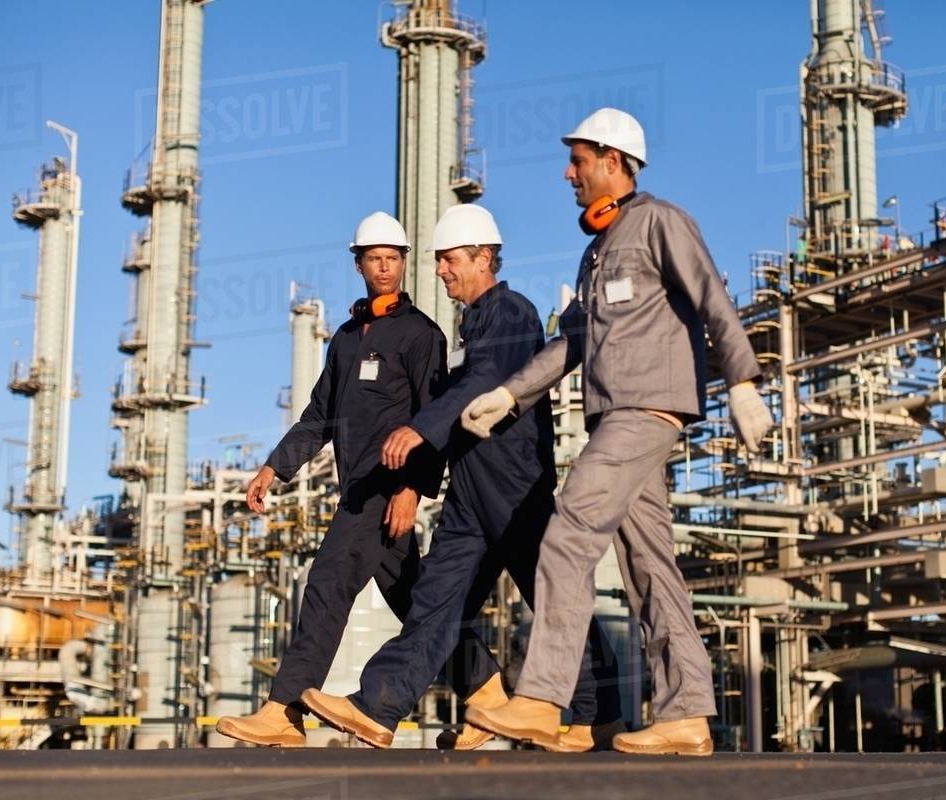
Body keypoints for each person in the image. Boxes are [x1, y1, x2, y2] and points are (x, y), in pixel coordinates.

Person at [459, 108, 774, 756]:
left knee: (569, 532)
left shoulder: (660, 224)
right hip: (613, 414)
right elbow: (570, 340)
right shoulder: (594, 252)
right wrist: (508, 395)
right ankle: (687, 713)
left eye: (577, 160)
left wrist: (742, 379)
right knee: (649, 565)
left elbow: (712, 295)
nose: (568, 173)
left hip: (648, 408)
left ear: (613, 160)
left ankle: (543, 698)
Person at [299, 204, 623, 752]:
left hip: (513, 481)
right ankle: (377, 707)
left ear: (483, 257)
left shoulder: (511, 311)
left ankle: (601, 711)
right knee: (435, 600)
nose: (442, 270)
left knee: (550, 595)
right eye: (439, 260)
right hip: (472, 484)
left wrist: (420, 429)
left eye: (449, 260)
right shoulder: (477, 319)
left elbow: (489, 379)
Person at [215, 212, 499, 747]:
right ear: (360, 264)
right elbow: (320, 413)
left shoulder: (421, 336)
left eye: (394, 258)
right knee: (416, 600)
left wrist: (412, 489)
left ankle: (284, 711)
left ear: (404, 263)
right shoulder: (346, 339)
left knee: (326, 586)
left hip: (384, 490)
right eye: (375, 258)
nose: (385, 267)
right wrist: (275, 467)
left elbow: (433, 416)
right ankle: (486, 691)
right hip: (357, 488)